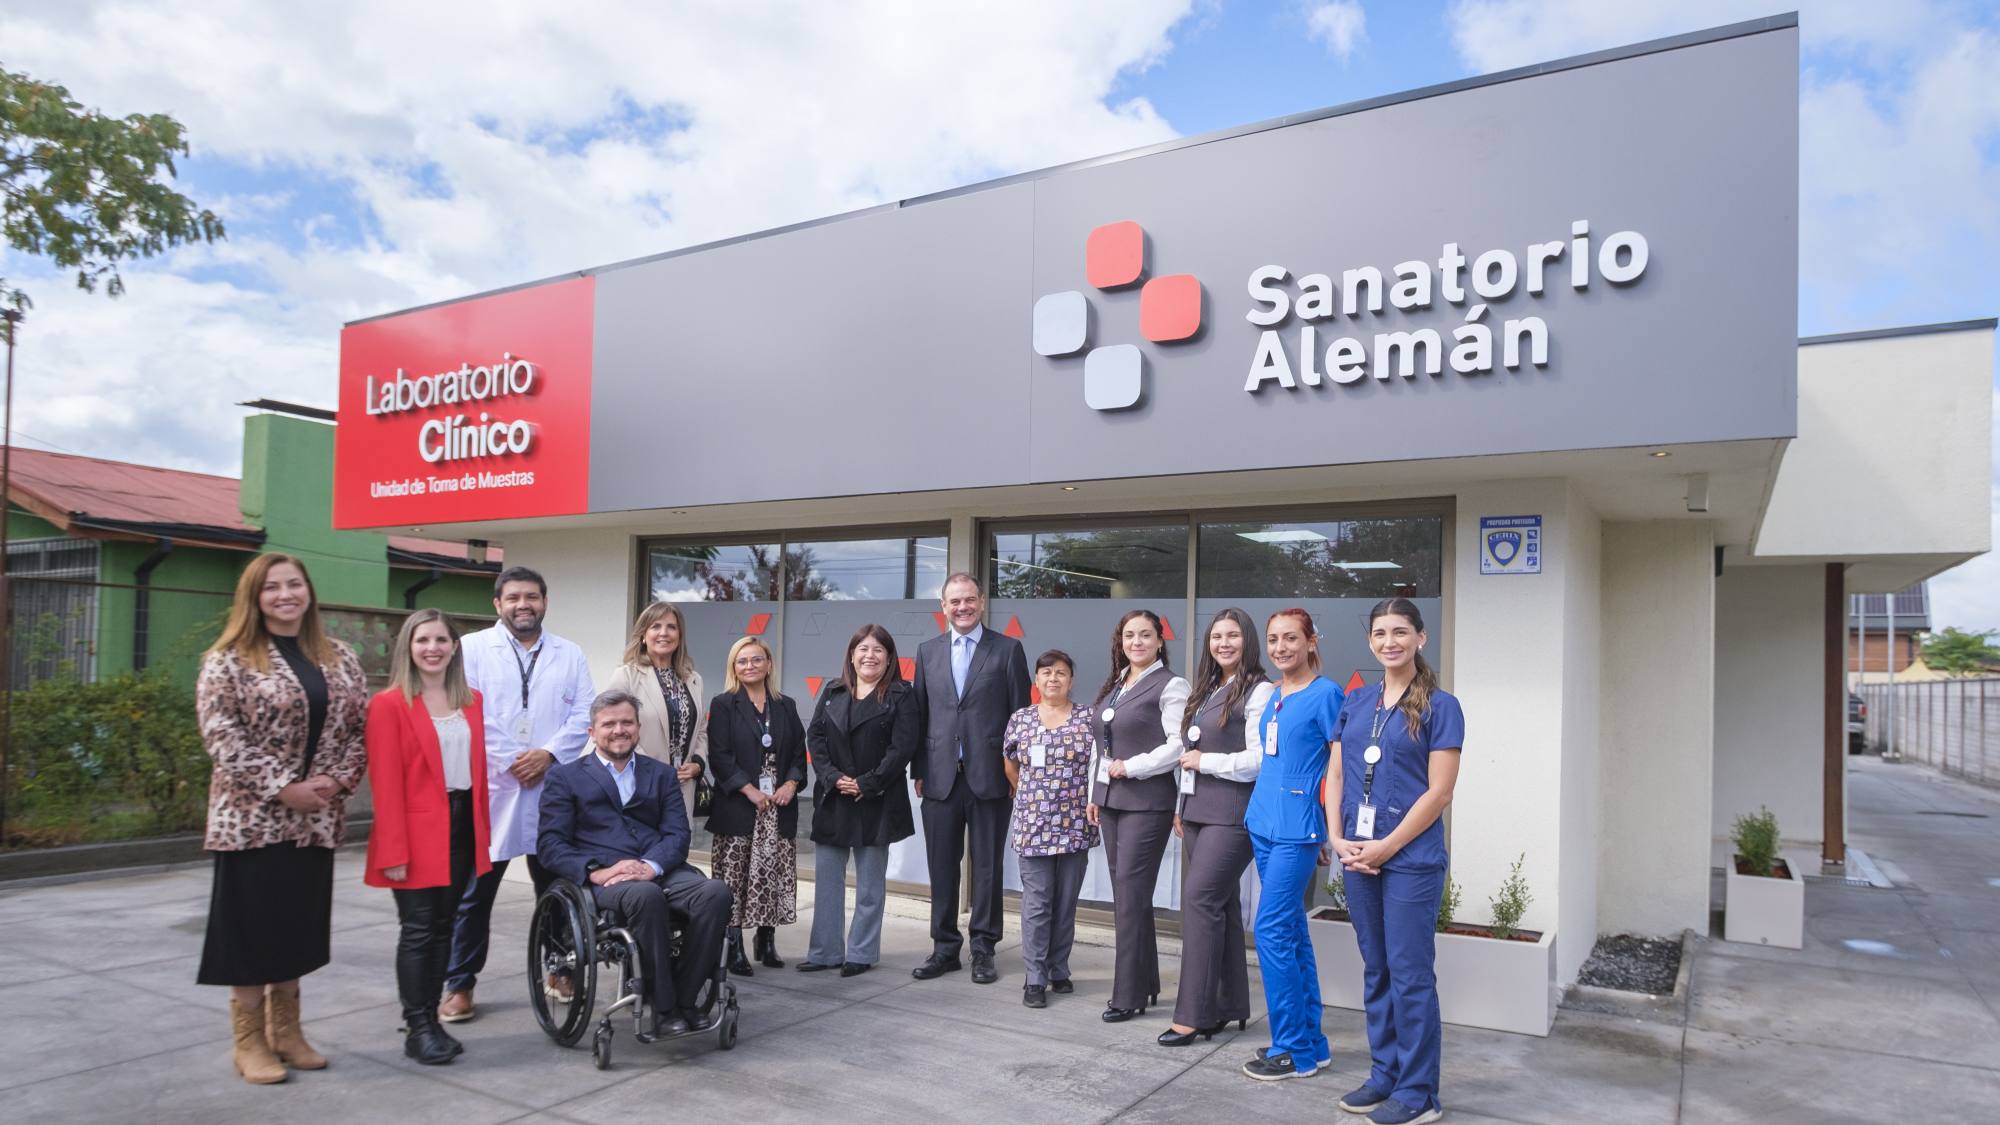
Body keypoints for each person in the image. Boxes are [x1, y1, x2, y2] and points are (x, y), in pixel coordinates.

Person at [194, 553, 368, 1085]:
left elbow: (361, 729)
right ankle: (249, 1041)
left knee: (294, 928)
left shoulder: (338, 656)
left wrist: (336, 782)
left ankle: (287, 1032)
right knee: (249, 932)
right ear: (255, 596)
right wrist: (282, 787)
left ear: (309, 592)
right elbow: (222, 735)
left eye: (294, 584)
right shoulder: (228, 658)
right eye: (272, 587)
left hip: (314, 820)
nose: (285, 594)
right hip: (250, 823)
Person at [1330, 598, 1463, 1125]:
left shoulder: (1442, 705)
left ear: (1420, 638)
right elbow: (1337, 774)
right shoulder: (1356, 703)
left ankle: (1419, 1092)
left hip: (1410, 860)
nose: (1390, 641)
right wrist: (1339, 839)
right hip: (1357, 854)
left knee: (1410, 975)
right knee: (1376, 969)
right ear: (1370, 642)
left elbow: (1440, 793)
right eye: (1381, 633)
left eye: (1401, 632)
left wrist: (1389, 846)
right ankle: (1384, 1073)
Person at [442, 566, 594, 1023]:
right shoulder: (469, 649)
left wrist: (546, 754)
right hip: (494, 787)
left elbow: (585, 712)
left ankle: (560, 969)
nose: (522, 604)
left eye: (531, 596)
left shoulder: (570, 654)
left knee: (557, 889)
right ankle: (460, 983)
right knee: (475, 894)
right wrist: (512, 757)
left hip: (551, 789)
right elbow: (465, 705)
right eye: (513, 598)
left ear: (545, 601)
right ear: (497, 605)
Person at [537, 691, 733, 1036]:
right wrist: (596, 872)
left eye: (626, 722)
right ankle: (665, 1006)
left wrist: (651, 865)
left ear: (638, 728)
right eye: (608, 723)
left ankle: (684, 1000)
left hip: (661, 870)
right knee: (645, 896)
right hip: (606, 882)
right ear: (591, 732)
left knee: (715, 892)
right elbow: (550, 845)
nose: (619, 730)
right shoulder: (565, 778)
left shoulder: (660, 774)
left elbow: (677, 834)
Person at [364, 609, 493, 1065]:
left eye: (441, 639)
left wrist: (482, 837)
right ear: (409, 647)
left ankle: (432, 1020)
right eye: (423, 640)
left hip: (460, 827)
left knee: (445, 927)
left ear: (454, 647)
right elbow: (385, 781)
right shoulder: (389, 704)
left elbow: (477, 777)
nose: (433, 648)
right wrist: (394, 850)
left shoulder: (472, 700)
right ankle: (417, 1026)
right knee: (419, 931)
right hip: (414, 831)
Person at [910, 572, 1031, 985]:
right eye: (953, 602)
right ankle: (944, 948)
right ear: (943, 607)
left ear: (981, 601)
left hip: (991, 777)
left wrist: (1015, 771)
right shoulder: (927, 652)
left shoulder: (1008, 649)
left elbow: (1021, 719)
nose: (962, 607)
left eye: (969, 600)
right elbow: (920, 716)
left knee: (987, 868)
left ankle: (983, 948)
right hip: (940, 778)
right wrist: (919, 770)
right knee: (942, 867)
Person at [1161, 607, 1273, 1046]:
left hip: (1233, 813)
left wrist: (1206, 763)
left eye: (1233, 636)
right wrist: (1180, 802)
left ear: (1247, 640)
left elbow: (1262, 760)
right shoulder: (1209, 689)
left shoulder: (1259, 692)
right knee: (1221, 907)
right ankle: (1229, 1005)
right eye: (1216, 637)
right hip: (1195, 810)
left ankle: (1193, 1014)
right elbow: (1190, 750)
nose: (1223, 644)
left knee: (1199, 900)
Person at [1240, 607, 1343, 1082]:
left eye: (1291, 639)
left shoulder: (1327, 695)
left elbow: (1337, 769)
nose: (1282, 647)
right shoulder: (1277, 693)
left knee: (1271, 931)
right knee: (1293, 932)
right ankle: (1312, 1043)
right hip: (1264, 821)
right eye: (1274, 639)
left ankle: (1291, 1049)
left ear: (1311, 642)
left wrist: (1326, 827)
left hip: (1297, 827)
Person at [1086, 608, 1191, 1022]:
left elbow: (1177, 746)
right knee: (1129, 898)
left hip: (1147, 802)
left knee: (1129, 897)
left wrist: (1132, 767)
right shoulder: (1116, 684)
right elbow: (1102, 745)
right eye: (1129, 635)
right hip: (1112, 802)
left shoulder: (1172, 685)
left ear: (1160, 641)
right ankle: (1145, 982)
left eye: (1145, 635)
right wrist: (1096, 791)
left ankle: (1127, 994)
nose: (1137, 642)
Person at [800, 624, 919, 976]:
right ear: (851, 655)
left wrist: (867, 783)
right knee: (827, 882)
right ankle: (825, 952)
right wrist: (834, 778)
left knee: (870, 885)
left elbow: (903, 747)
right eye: (863, 649)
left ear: (889, 657)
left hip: (876, 799)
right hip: (834, 797)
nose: (870, 655)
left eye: (878, 650)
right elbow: (815, 737)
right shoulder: (833, 690)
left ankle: (861, 953)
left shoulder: (901, 694)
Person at [1001, 649, 1098, 1009]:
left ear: (1071, 680)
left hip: (1075, 824)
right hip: (1033, 823)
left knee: (1065, 903)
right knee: (1037, 903)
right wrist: (1031, 793)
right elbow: (1010, 764)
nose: (1053, 678)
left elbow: (1096, 766)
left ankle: (1059, 968)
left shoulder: (1087, 719)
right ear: (1036, 680)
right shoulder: (1021, 719)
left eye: (1060, 673)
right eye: (1046, 672)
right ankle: (1035, 976)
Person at [705, 635, 807, 975]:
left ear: (768, 664)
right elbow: (718, 756)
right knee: (734, 877)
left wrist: (791, 784)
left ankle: (766, 941)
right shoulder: (723, 704)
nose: (749, 666)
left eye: (756, 659)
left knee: (773, 874)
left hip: (778, 806)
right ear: (734, 667)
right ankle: (732, 945)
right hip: (740, 804)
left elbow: (797, 752)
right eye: (742, 661)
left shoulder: (786, 705)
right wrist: (749, 790)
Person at [605, 601, 709, 828]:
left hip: (682, 787)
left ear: (679, 635)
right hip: (640, 785)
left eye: (671, 627)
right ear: (643, 635)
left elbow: (701, 728)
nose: (664, 633)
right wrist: (656, 771)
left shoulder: (693, 680)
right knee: (641, 858)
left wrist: (698, 764)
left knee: (677, 851)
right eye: (656, 626)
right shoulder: (626, 676)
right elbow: (613, 731)